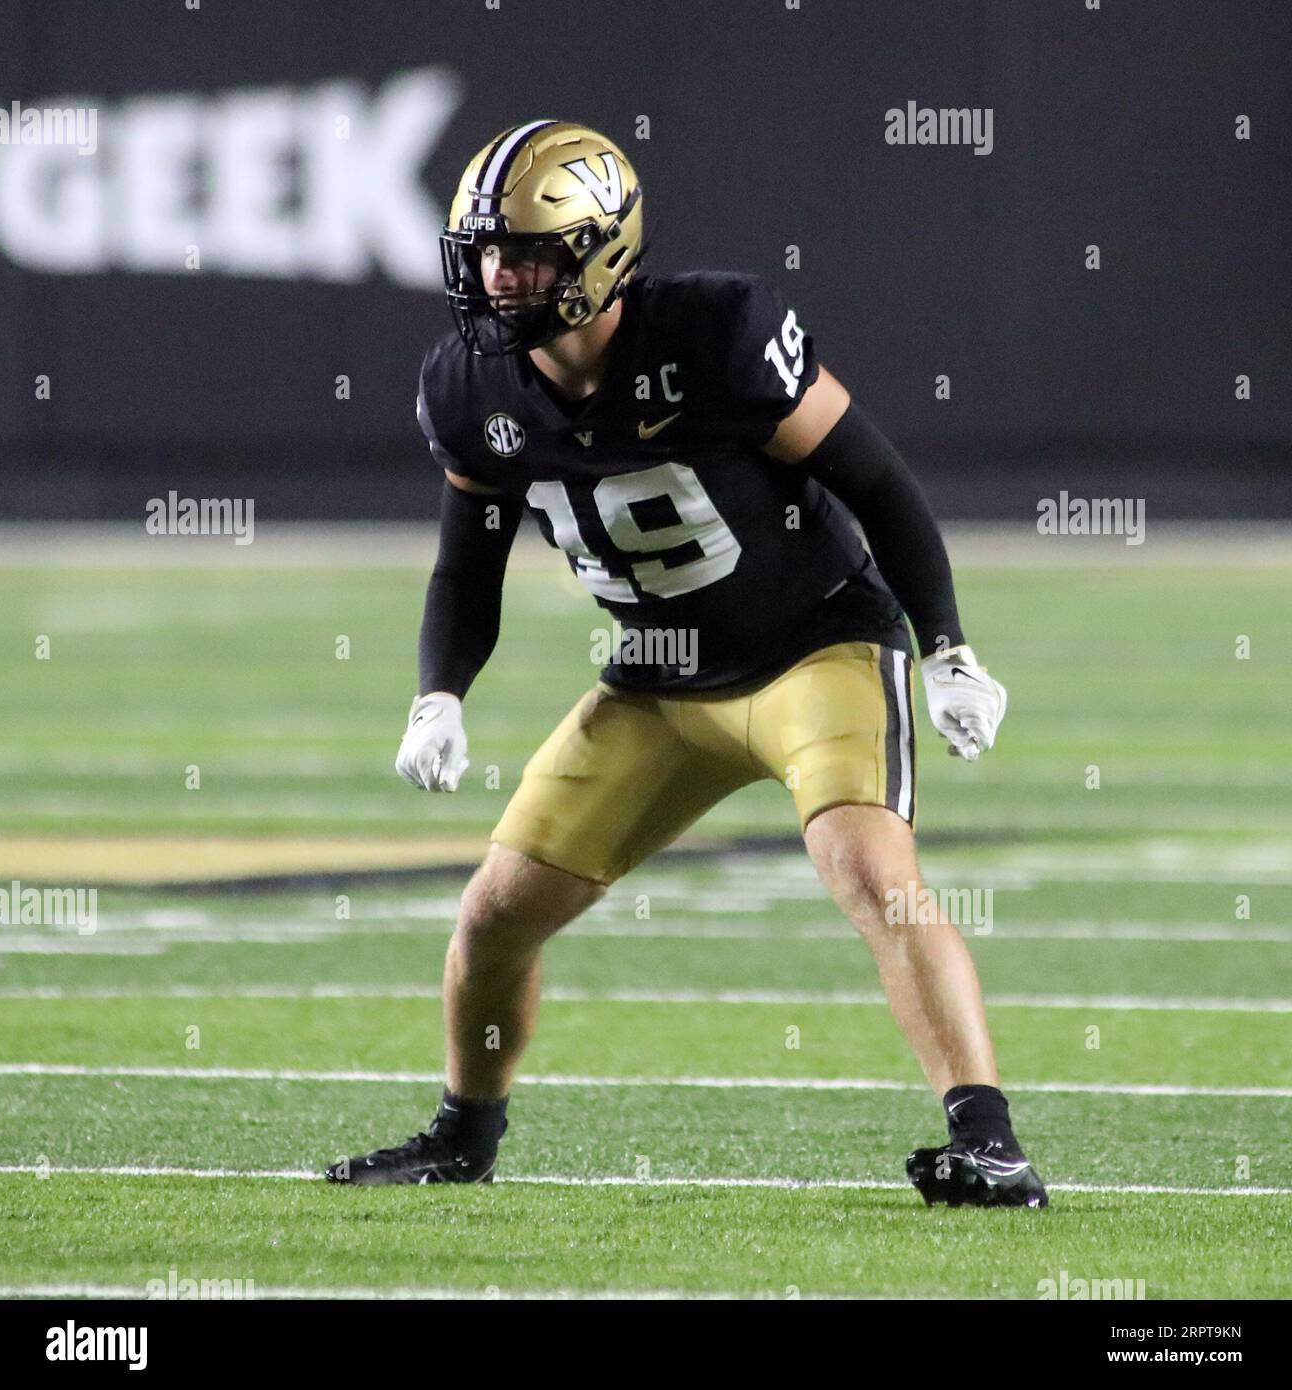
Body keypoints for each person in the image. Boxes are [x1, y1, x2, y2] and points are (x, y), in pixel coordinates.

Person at [326, 120, 1047, 1208]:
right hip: (655, 681)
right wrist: (439, 693)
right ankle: (463, 1133)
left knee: (874, 878)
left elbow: (879, 481)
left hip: (817, 647)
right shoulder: (471, 389)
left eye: (524, 252)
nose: (496, 275)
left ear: (600, 254)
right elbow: (465, 568)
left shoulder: (716, 333)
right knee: (491, 915)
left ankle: (988, 1141)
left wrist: (946, 644)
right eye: (482, 252)